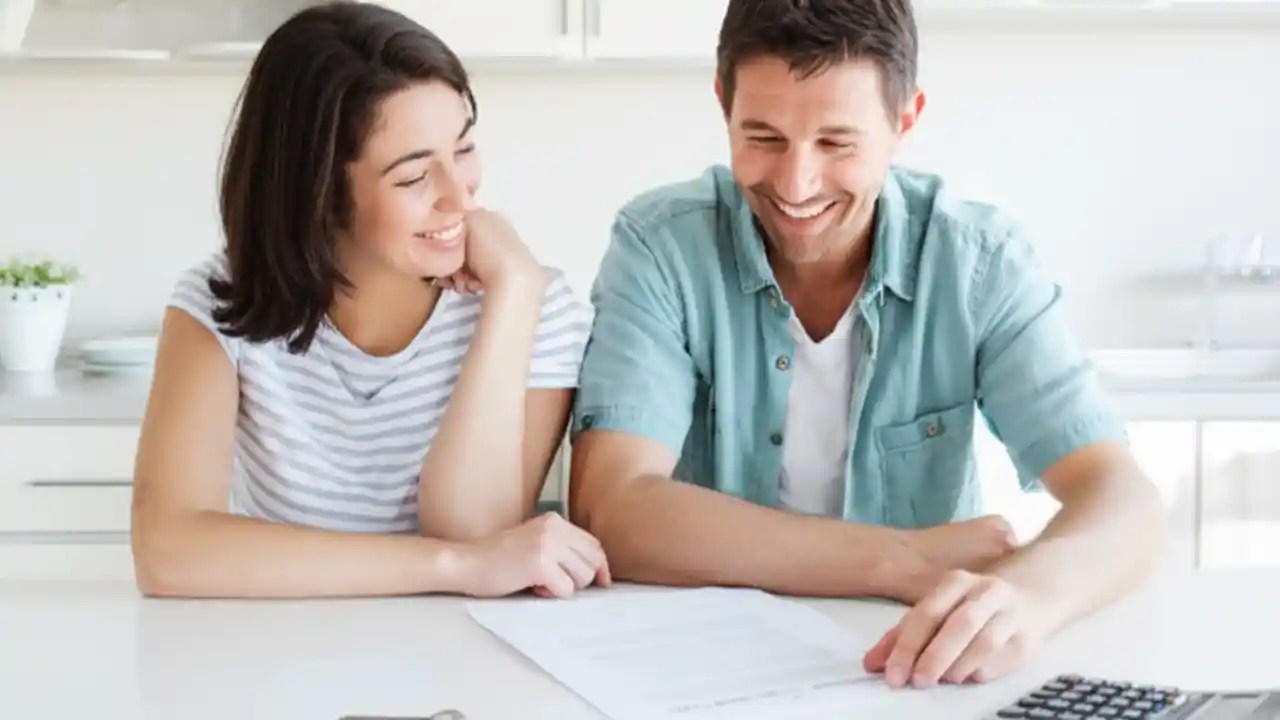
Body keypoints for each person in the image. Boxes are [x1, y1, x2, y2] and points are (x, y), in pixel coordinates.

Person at [569, 0, 1165, 689]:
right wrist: (902, 561)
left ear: (903, 121)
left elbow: (1125, 500)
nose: (795, 185)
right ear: (722, 105)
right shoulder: (661, 247)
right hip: (701, 671)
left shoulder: (978, 263)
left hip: (909, 675)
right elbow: (614, 510)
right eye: (762, 137)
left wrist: (1030, 596)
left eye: (836, 144)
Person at [130, 1, 610, 600]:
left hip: (459, 660)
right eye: (413, 177)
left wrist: (513, 293)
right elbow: (168, 553)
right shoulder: (223, 304)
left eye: (462, 150)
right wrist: (449, 568)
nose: (459, 198)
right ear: (320, 194)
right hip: (273, 653)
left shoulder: (535, 304)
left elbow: (474, 528)